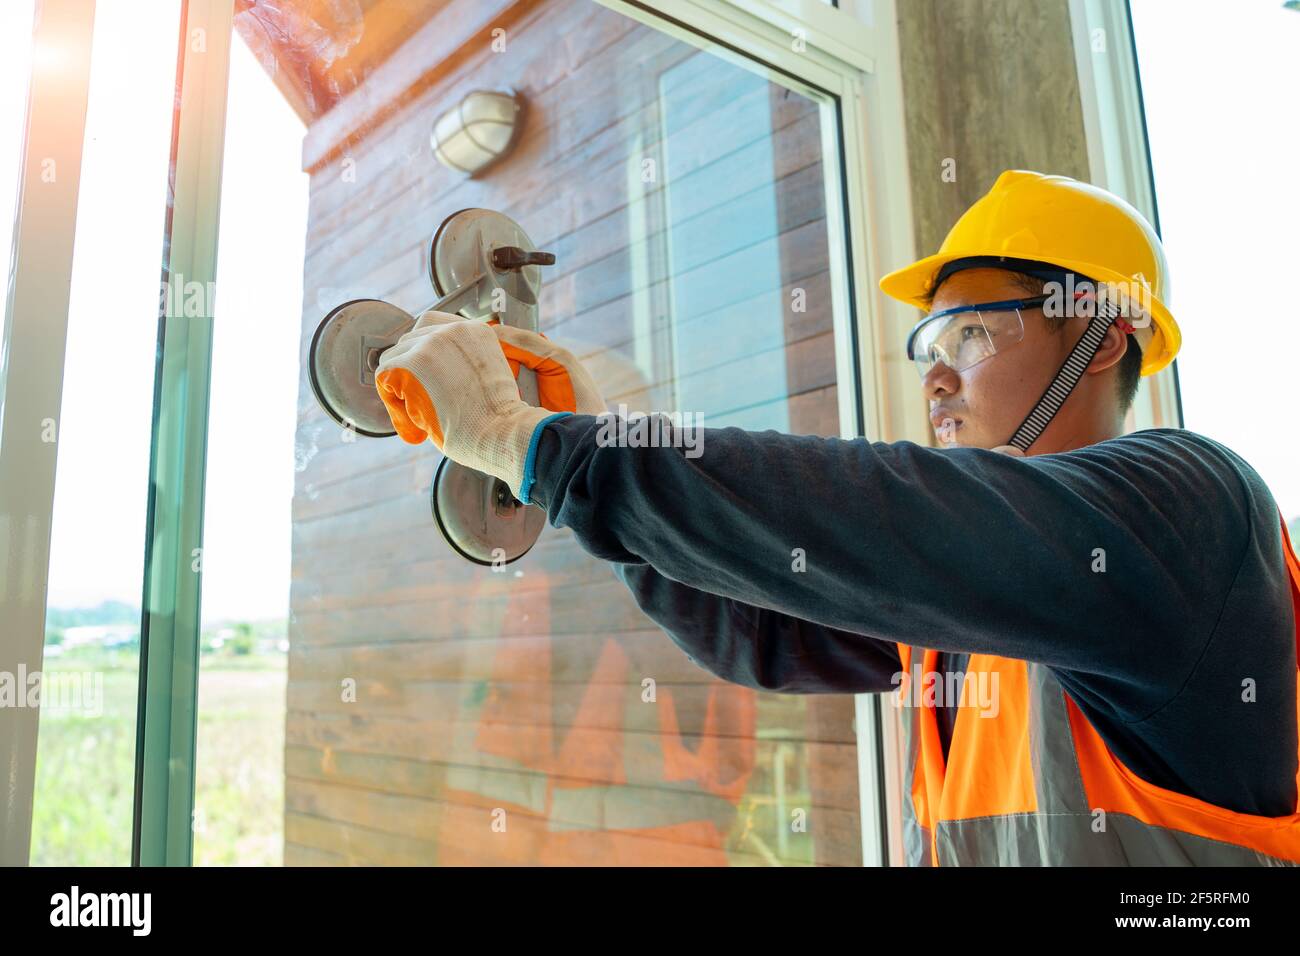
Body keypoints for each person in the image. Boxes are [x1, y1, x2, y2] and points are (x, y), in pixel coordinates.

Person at [372, 170, 1300, 866]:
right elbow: (758, 628)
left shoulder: (1194, 507)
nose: (935, 374)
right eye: (927, 345)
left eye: (970, 333)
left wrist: (542, 445)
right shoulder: (969, 613)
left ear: (1100, 338)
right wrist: (599, 452)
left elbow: (883, 518)